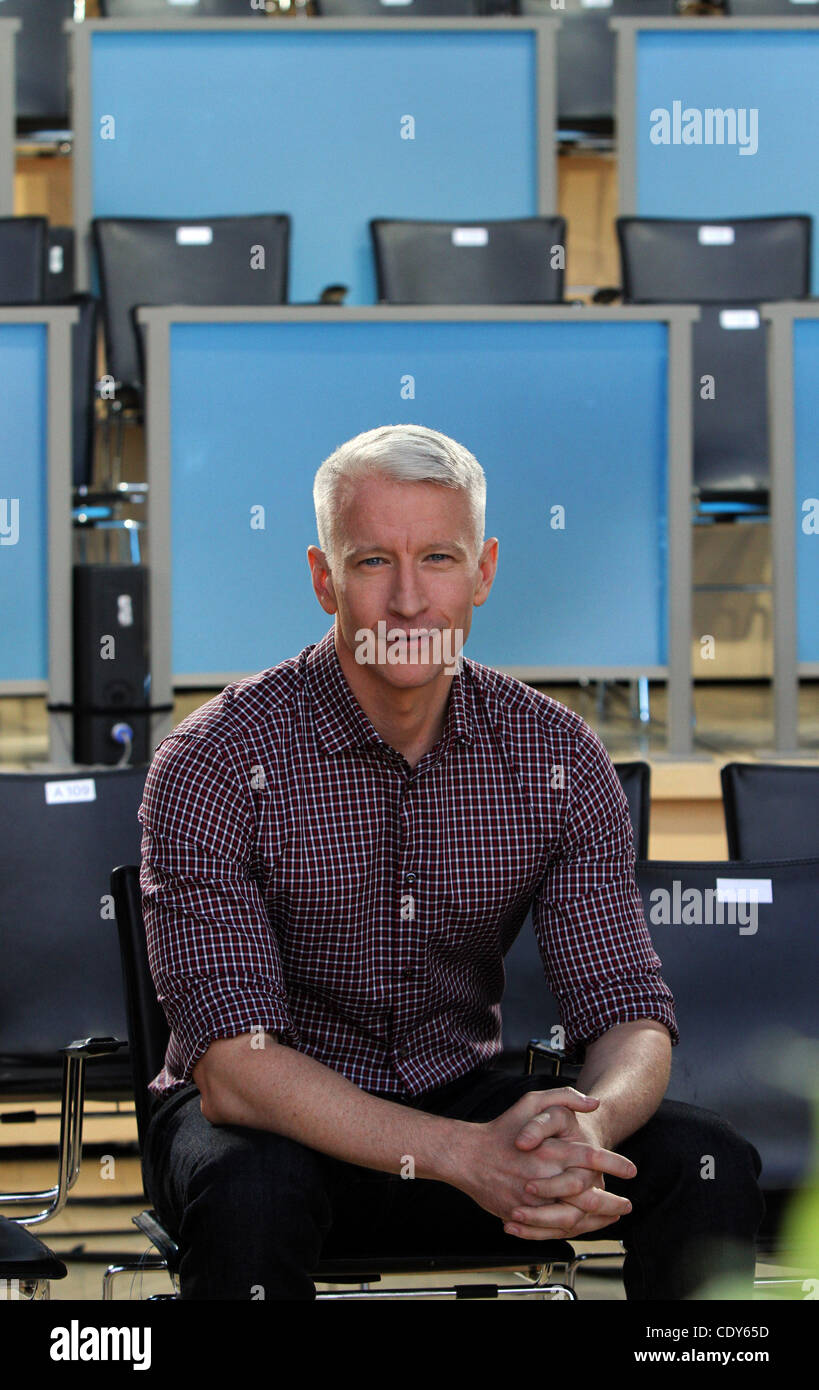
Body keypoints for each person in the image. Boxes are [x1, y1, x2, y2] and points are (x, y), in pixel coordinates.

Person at [138, 423, 764, 1300]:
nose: (407, 601)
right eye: (369, 563)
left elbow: (628, 1013)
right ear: (323, 578)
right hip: (269, 1127)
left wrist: (587, 1131)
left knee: (705, 1159)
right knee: (253, 1192)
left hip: (459, 1094)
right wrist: (460, 1156)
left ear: (484, 571)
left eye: (437, 558)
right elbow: (237, 1070)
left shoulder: (556, 756)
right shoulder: (214, 758)